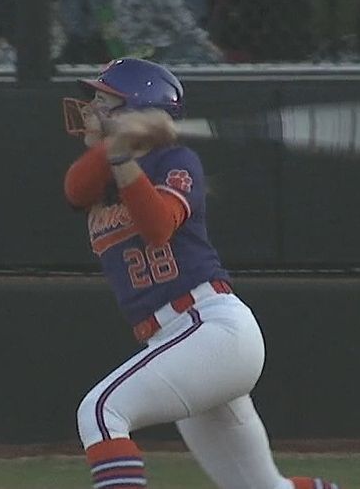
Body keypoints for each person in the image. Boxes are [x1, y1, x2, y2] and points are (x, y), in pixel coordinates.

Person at [62, 57, 340, 489]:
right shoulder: (102, 174)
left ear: (135, 109)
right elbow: (74, 188)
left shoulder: (177, 159)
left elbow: (157, 227)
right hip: (177, 342)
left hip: (211, 327)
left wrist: (125, 154)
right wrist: (118, 149)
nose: (89, 110)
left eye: (103, 101)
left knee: (101, 412)